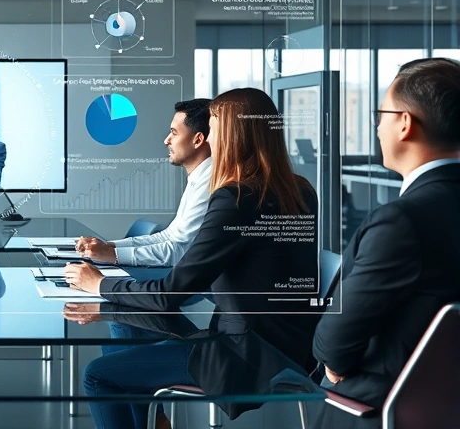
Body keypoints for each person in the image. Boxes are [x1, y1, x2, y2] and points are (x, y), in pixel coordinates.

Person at [65, 88, 320, 429]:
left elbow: (174, 291)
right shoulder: (300, 189)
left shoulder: (236, 197)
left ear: (231, 135)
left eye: (213, 129)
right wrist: (110, 299)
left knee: (98, 376)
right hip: (290, 348)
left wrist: (100, 285)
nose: (210, 141)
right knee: (125, 322)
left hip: (242, 355)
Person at [311, 58, 460, 429]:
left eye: (382, 114)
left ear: (405, 123)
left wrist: (334, 364)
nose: (378, 125)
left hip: (389, 406)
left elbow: (333, 346)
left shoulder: (403, 220)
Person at [76, 99, 213, 266]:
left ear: (197, 140)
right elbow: (168, 236)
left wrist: (112, 254)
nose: (166, 140)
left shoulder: (209, 180)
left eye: (174, 133)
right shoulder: (199, 177)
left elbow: (180, 250)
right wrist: (107, 247)